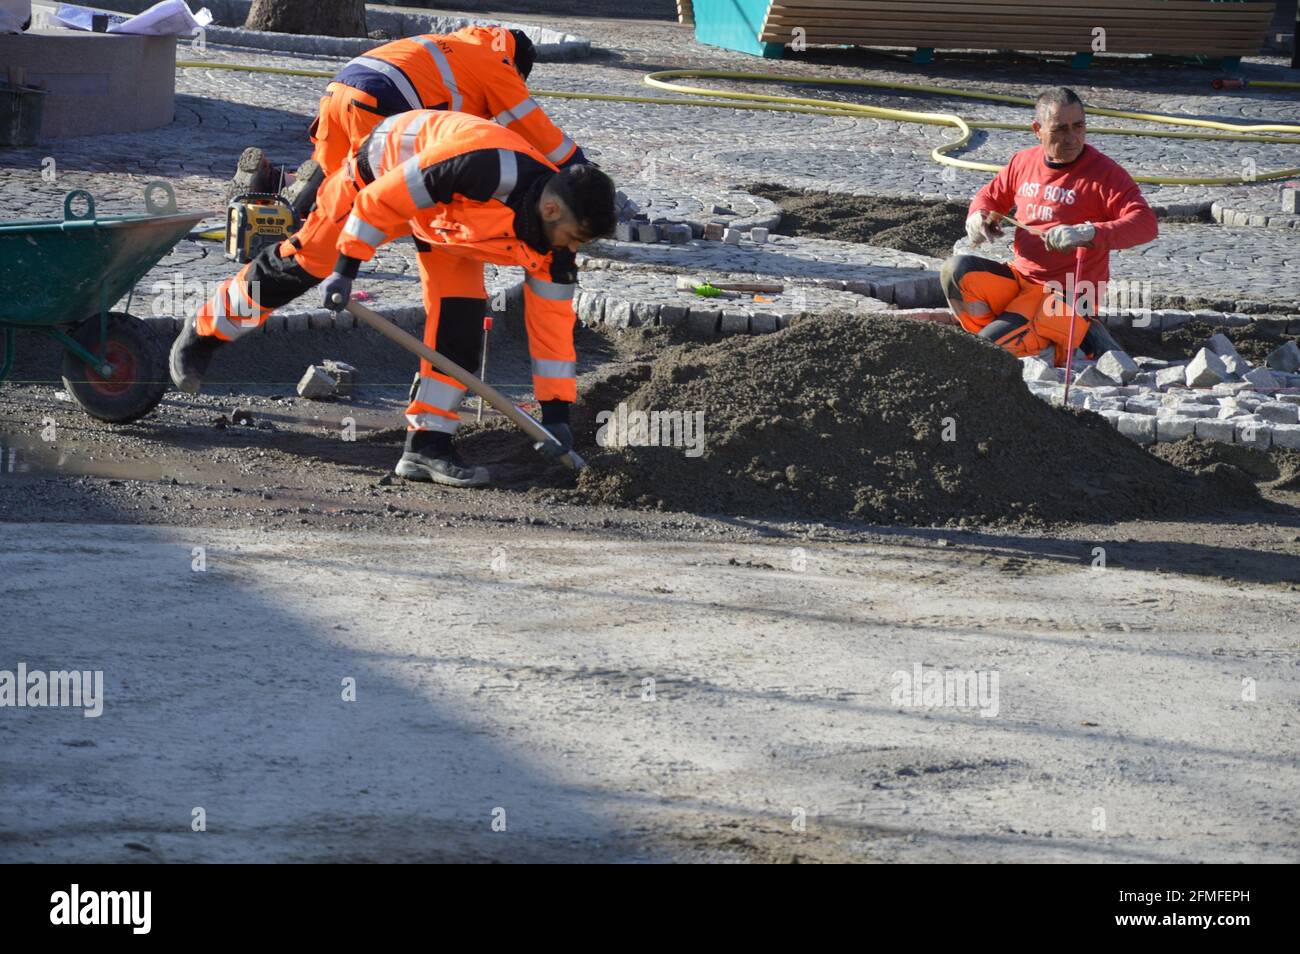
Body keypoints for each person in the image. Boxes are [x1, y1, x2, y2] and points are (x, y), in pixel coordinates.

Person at [171, 110, 616, 487]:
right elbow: (379, 205)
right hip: (376, 179)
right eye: (575, 237)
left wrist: (557, 416)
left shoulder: (556, 251)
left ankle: (427, 447)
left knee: (459, 322)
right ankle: (205, 334)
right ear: (552, 210)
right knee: (304, 264)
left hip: (447, 225)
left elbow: (552, 334)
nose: (573, 248)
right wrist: (346, 269)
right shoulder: (483, 166)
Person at [228, 25, 587, 213]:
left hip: (338, 92)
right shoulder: (497, 65)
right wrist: (577, 167)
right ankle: (312, 197)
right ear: (517, 65)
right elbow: (533, 128)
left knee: (327, 174)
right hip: (383, 101)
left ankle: (273, 179)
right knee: (371, 193)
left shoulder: (459, 46)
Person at [940, 87, 1156, 366]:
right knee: (955, 271)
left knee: (984, 350)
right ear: (1037, 130)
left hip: (1066, 296)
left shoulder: (1105, 174)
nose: (1071, 138)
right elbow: (990, 197)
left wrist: (1088, 232)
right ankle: (1021, 337)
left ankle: (1059, 342)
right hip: (1021, 281)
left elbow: (1145, 224)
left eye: (1078, 127)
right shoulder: (1023, 161)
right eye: (1060, 130)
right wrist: (979, 216)